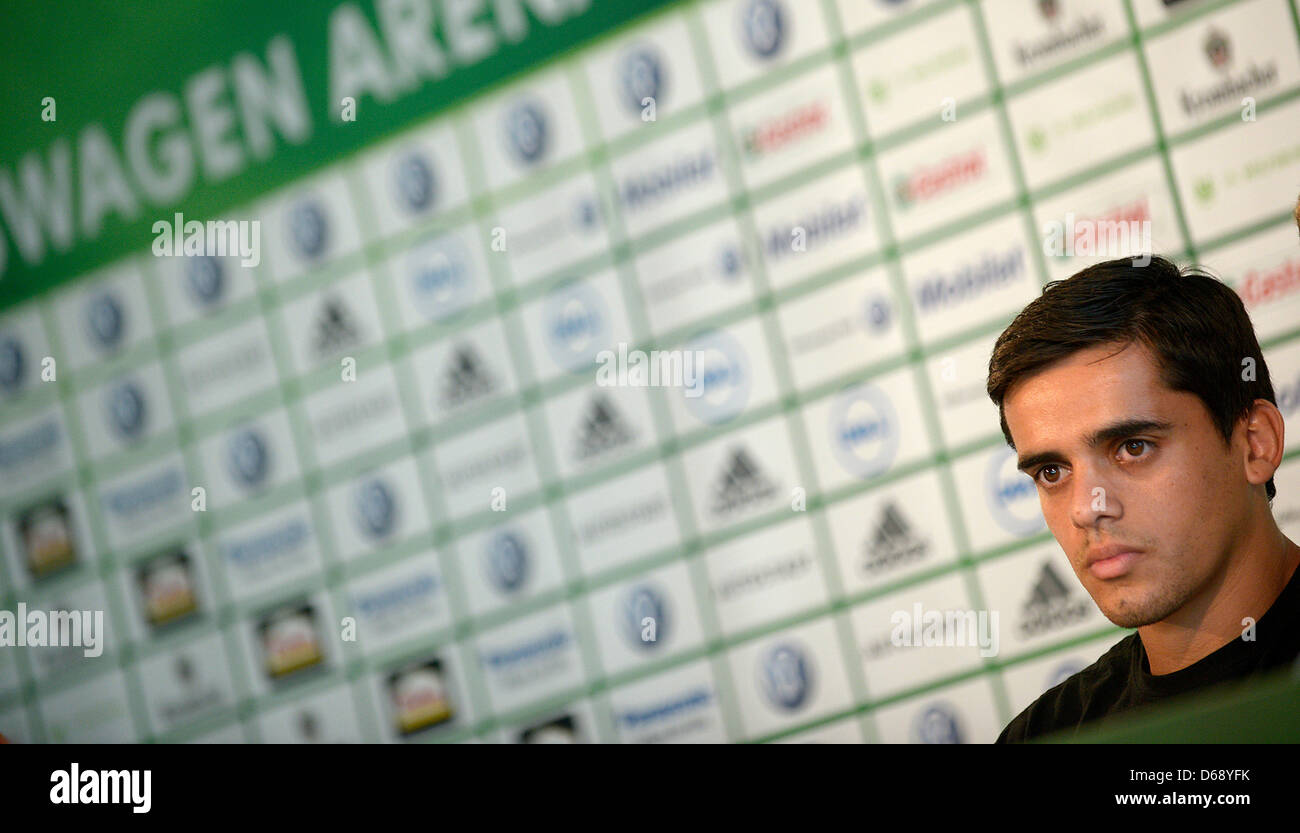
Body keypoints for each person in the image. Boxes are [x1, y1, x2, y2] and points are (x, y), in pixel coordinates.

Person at [986, 254, 1300, 742]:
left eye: (1133, 447)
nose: (1086, 508)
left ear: (1255, 443)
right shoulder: (1045, 735)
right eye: (1052, 471)